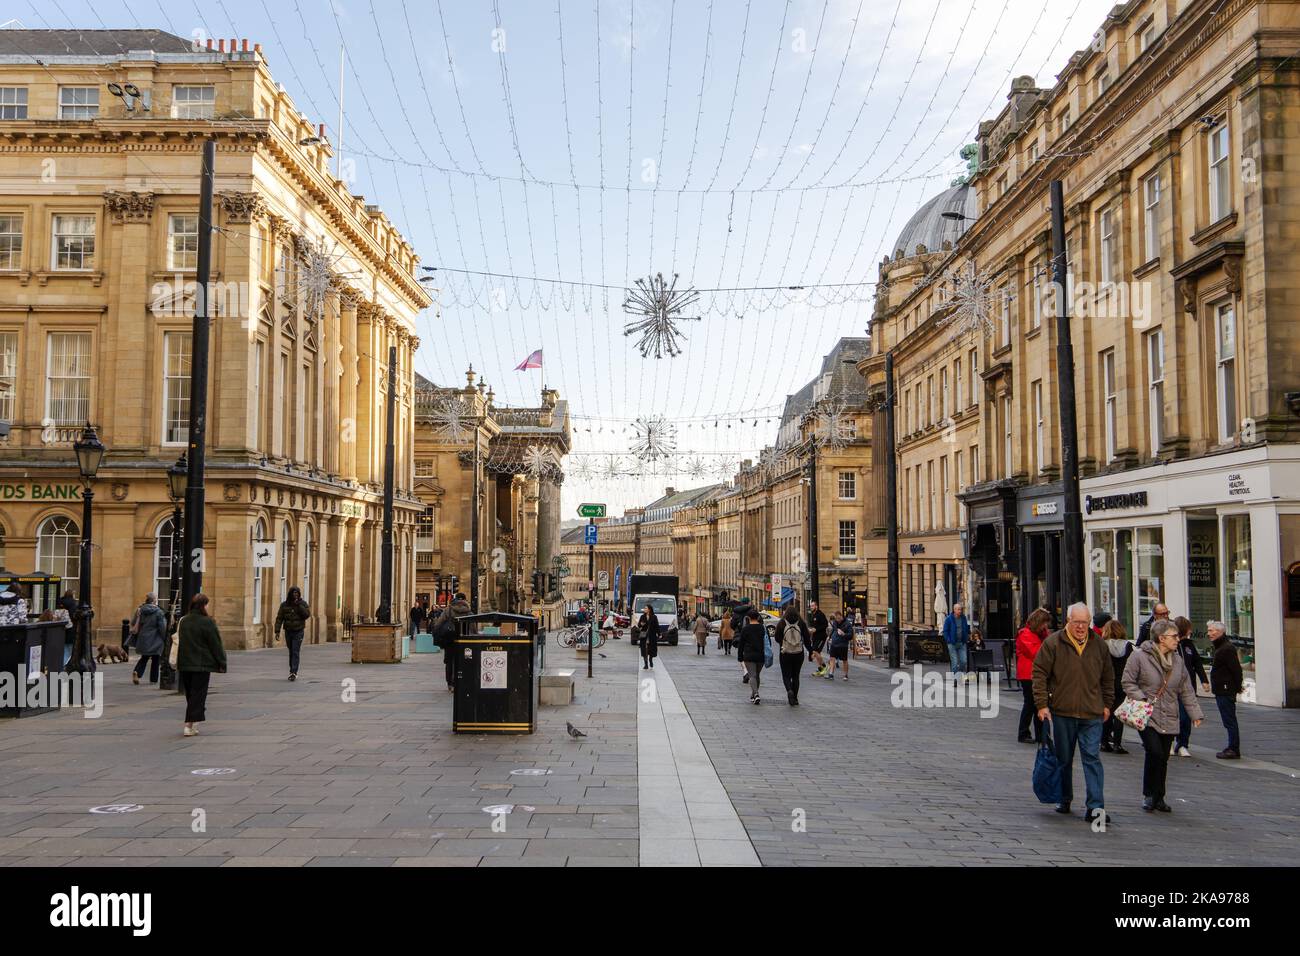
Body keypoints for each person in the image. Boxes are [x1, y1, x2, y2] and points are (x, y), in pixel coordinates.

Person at [1032, 602, 1111, 824]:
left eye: (1084, 623)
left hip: (1092, 712)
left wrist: (1107, 704)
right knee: (1064, 759)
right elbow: (1039, 673)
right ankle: (1064, 798)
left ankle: (1096, 807)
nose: (1080, 627)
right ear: (1068, 621)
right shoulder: (1053, 643)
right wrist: (1041, 705)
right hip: (1062, 711)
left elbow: (1108, 677)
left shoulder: (1099, 645)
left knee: (1092, 758)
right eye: (1076, 622)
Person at [1122, 618, 1203, 812]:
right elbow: (1127, 682)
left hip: (1170, 714)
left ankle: (1159, 796)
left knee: (1163, 757)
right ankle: (1149, 794)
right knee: (1154, 752)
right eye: (1174, 636)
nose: (1178, 639)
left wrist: (1195, 714)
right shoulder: (1139, 657)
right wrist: (1141, 697)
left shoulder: (1177, 661)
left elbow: (1186, 689)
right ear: (1161, 638)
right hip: (1147, 714)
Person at [177, 593, 227, 738]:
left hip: (185, 663)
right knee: (198, 694)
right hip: (201, 664)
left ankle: (194, 722)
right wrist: (221, 662)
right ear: (204, 605)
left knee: (191, 694)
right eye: (207, 604)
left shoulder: (184, 620)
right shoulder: (207, 622)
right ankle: (189, 724)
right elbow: (215, 644)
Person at [1170, 615, 1208, 757]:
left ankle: (1183, 744)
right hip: (1172, 687)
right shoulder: (1172, 645)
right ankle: (1170, 742)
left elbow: (1197, 663)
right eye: (1189, 628)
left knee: (1186, 718)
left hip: (1188, 687)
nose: (1191, 631)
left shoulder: (1189, 645)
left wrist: (1204, 680)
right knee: (1173, 716)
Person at [1207, 620, 1243, 759]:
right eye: (1209, 630)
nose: (1209, 633)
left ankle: (1233, 748)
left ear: (1220, 632)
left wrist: (1237, 686)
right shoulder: (1220, 647)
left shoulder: (1226, 648)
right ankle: (1232, 747)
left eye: (1211, 631)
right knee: (1228, 720)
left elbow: (1236, 669)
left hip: (1225, 689)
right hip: (1222, 689)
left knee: (1229, 720)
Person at [1015, 608, 1051, 743]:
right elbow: (1037, 653)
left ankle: (1041, 734)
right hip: (1028, 674)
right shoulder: (1025, 634)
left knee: (1038, 704)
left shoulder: (1041, 634)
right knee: (1031, 703)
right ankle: (1024, 733)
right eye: (1044, 623)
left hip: (1037, 673)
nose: (1046, 626)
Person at [1100, 620, 1134, 754]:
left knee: (1107, 710)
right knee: (1120, 714)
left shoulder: (1103, 645)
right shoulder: (1128, 646)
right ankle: (1117, 744)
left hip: (1107, 683)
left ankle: (1104, 742)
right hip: (1122, 682)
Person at [431, 592, 471, 691]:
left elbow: (438, 624)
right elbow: (473, 628)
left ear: (455, 599)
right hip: (465, 640)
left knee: (449, 662)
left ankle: (451, 683)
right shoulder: (469, 611)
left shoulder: (448, 610)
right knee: (464, 661)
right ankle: (462, 682)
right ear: (465, 600)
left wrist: (436, 635)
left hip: (449, 640)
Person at [128, 593, 167, 685]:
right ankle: (153, 680)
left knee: (144, 657)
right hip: (155, 638)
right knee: (156, 659)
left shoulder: (140, 610)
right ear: (154, 600)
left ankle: (137, 671)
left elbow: (133, 623)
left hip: (143, 637)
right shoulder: (158, 612)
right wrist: (165, 637)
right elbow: (162, 627)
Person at [775, 605, 811, 705]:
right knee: (796, 676)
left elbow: (777, 638)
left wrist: (783, 643)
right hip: (798, 653)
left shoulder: (782, 623)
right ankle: (795, 698)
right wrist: (811, 651)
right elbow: (807, 639)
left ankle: (789, 690)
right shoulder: (801, 623)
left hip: (785, 652)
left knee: (786, 675)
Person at [274, 586, 311, 681]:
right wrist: (277, 631)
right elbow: (279, 618)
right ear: (290, 594)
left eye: (297, 593)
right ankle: (292, 670)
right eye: (294, 593)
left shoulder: (303, 603)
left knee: (295, 651)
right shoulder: (284, 605)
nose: (295, 594)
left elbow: (306, 615)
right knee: (291, 651)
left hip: (298, 631)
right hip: (288, 631)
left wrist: (298, 605)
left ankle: (294, 672)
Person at [735, 610, 767, 704]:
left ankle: (756, 694)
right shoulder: (762, 628)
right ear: (758, 617)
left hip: (749, 655)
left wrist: (740, 656)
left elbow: (741, 644)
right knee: (757, 675)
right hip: (760, 655)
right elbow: (767, 642)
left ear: (748, 618)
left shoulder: (746, 629)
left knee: (752, 675)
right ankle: (753, 695)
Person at [942, 602, 972, 680]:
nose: (960, 611)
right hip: (952, 643)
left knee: (964, 661)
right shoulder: (949, 619)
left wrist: (967, 636)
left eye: (960, 609)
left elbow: (966, 628)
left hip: (962, 643)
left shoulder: (963, 618)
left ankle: (960, 673)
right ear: (954, 610)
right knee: (954, 662)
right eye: (958, 609)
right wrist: (949, 640)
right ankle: (956, 678)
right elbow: (945, 631)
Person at [823, 611, 854, 680]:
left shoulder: (847, 624)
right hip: (834, 644)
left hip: (843, 645)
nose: (837, 620)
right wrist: (829, 637)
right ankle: (831, 674)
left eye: (838, 618)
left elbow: (851, 635)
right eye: (836, 618)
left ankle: (845, 675)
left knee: (844, 660)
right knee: (832, 658)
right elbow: (834, 630)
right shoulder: (835, 622)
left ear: (841, 616)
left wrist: (844, 634)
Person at [807, 601, 830, 676]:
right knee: (816, 653)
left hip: (821, 637)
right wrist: (810, 630)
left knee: (815, 651)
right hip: (815, 637)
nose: (811, 607)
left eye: (813, 606)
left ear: (816, 606)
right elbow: (814, 626)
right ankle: (820, 669)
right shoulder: (812, 615)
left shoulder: (820, 614)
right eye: (811, 606)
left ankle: (824, 667)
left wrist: (816, 629)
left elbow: (825, 624)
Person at [638, 604, 659, 670]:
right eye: (644, 608)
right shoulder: (642, 616)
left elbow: (657, 626)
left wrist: (659, 633)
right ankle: (646, 664)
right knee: (644, 650)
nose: (644, 609)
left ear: (649, 609)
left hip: (651, 635)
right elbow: (639, 625)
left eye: (646, 608)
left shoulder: (654, 617)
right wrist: (641, 624)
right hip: (644, 635)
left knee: (651, 649)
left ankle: (650, 659)